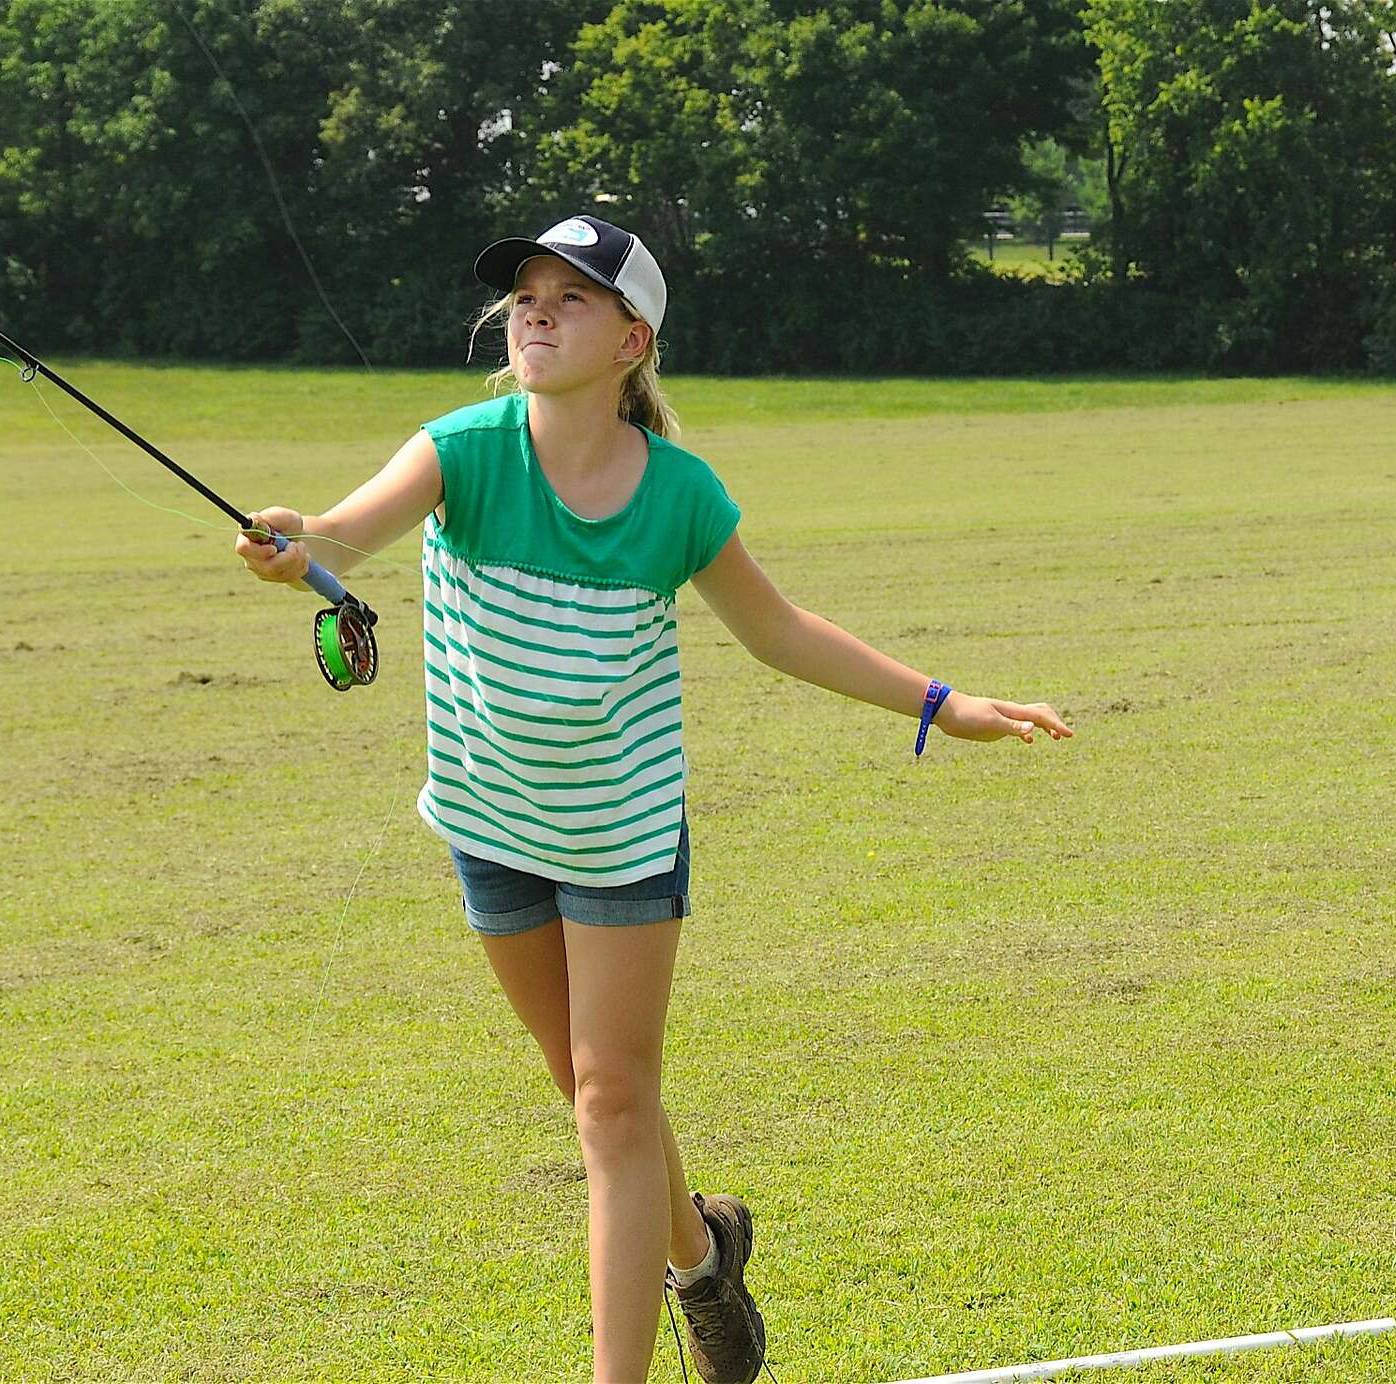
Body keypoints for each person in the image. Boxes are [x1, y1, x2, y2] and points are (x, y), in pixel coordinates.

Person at [235, 213, 1075, 1384]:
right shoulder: (461, 450)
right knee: (591, 1098)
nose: (536, 311)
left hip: (622, 833)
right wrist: (296, 535)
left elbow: (781, 633)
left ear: (633, 341)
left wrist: (944, 702)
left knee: (613, 1106)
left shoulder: (678, 494)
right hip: (491, 822)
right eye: (525, 294)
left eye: (569, 298)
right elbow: (348, 527)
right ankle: (704, 1249)